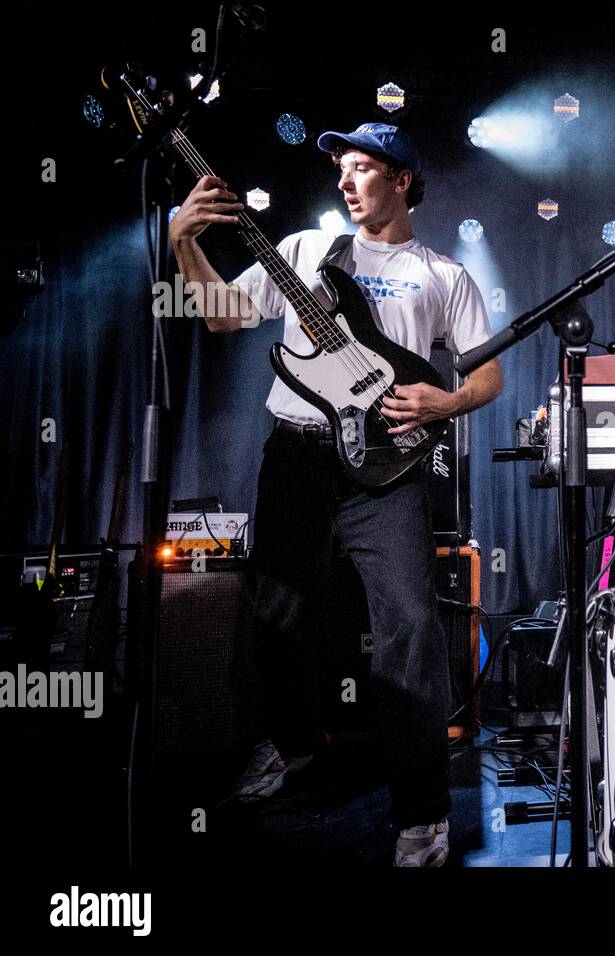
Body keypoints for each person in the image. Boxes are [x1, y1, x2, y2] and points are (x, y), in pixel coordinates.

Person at [168, 122, 504, 866]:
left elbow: (488, 374)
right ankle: (292, 747)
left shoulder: (443, 274)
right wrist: (182, 241)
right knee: (277, 613)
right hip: (295, 458)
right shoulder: (303, 251)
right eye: (342, 171)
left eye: (363, 169)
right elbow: (221, 313)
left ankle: (422, 812)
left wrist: (445, 404)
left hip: (387, 476)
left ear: (403, 180)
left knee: (411, 632)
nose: (347, 183)